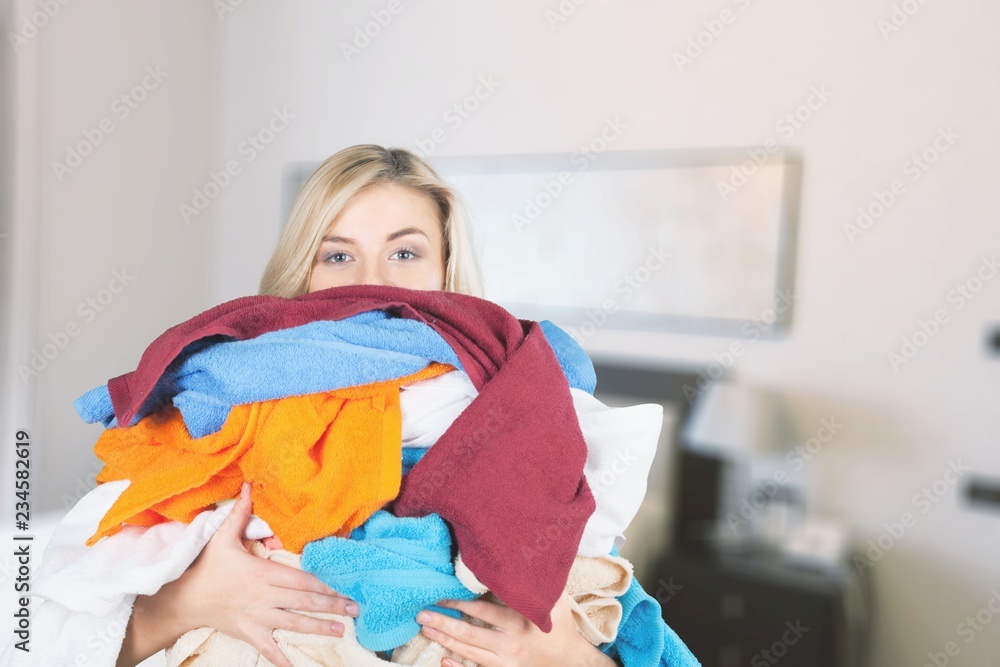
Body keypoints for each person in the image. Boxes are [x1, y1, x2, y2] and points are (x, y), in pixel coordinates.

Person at [115, 145, 620, 667]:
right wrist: (186, 604)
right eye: (338, 255)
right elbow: (76, 636)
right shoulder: (218, 399)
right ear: (303, 272)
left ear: (446, 270)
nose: (372, 280)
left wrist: (572, 659)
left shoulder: (531, 400)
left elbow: (602, 609)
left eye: (405, 253)